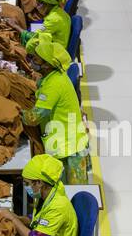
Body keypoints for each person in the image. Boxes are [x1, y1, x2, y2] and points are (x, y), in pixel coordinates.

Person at [24, 37, 89, 183]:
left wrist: (16, 113)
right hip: (67, 140)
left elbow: (34, 118)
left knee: (70, 192)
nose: (32, 60)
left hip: (69, 149)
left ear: (47, 64)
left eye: (36, 59)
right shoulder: (52, 77)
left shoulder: (54, 84)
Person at [6, 153, 78, 236]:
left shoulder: (58, 207)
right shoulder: (47, 193)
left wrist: (12, 219)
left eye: (27, 183)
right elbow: (35, 220)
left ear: (39, 182)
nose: (26, 187)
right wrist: (18, 218)